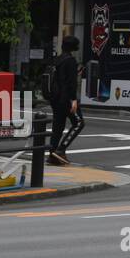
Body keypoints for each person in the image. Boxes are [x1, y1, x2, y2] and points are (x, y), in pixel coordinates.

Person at [48, 36, 86, 166]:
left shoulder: (57, 60)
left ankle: (52, 155)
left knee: (57, 126)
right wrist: (73, 99)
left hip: (55, 98)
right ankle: (61, 150)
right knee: (79, 123)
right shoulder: (70, 60)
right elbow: (70, 83)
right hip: (66, 99)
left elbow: (61, 78)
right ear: (74, 47)